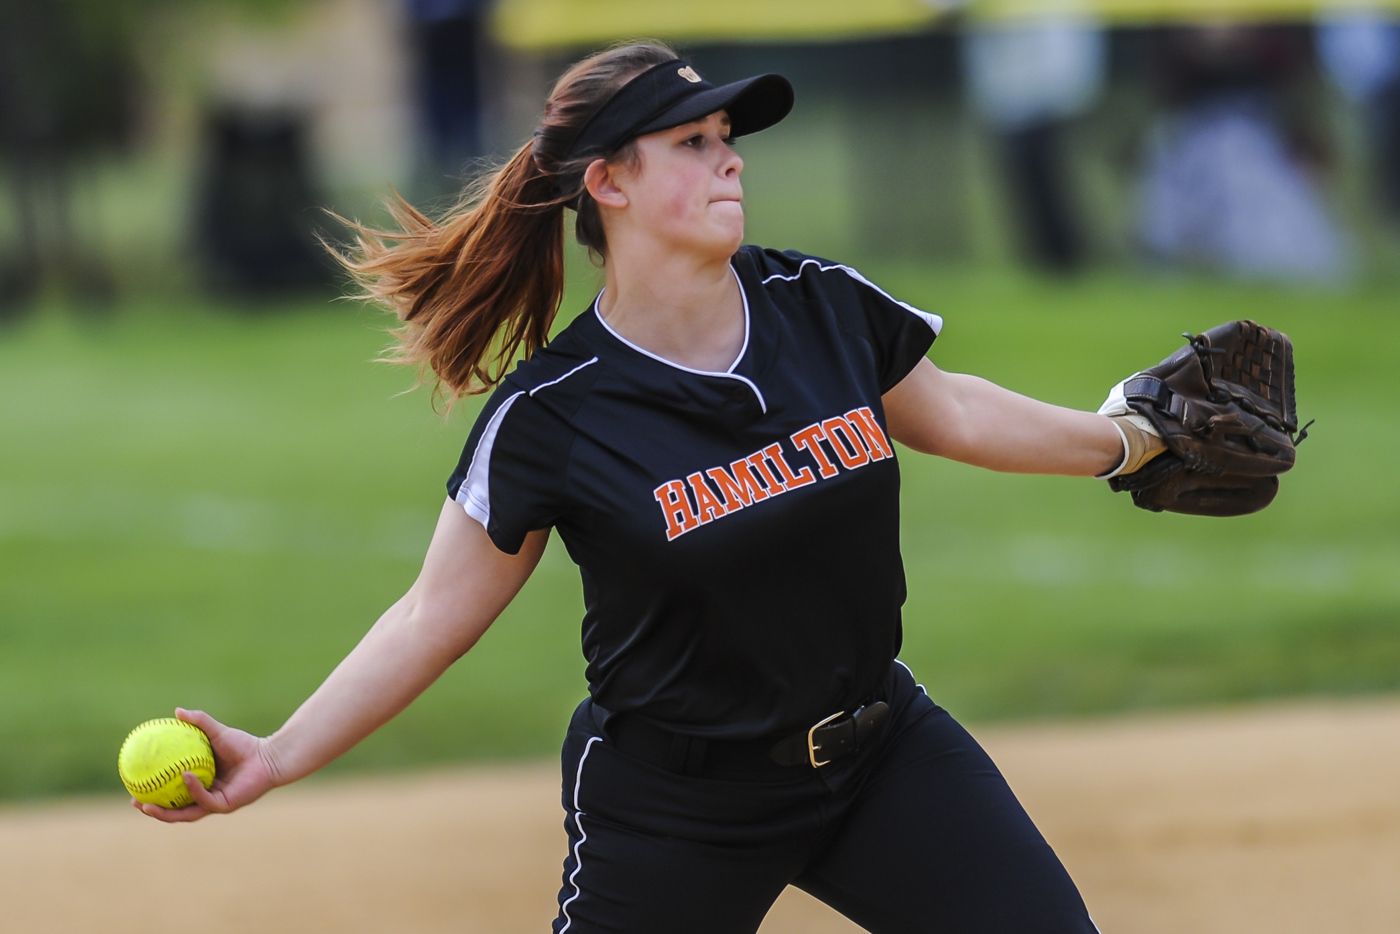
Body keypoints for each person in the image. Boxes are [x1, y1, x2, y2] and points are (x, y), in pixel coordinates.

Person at [134, 42, 1160, 933]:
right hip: (678, 807)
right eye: (692, 142)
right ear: (608, 185)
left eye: (725, 134)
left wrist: (1129, 440)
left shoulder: (819, 305)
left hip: (880, 753)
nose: (729, 157)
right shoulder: (553, 413)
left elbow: (961, 413)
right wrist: (274, 754)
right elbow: (427, 617)